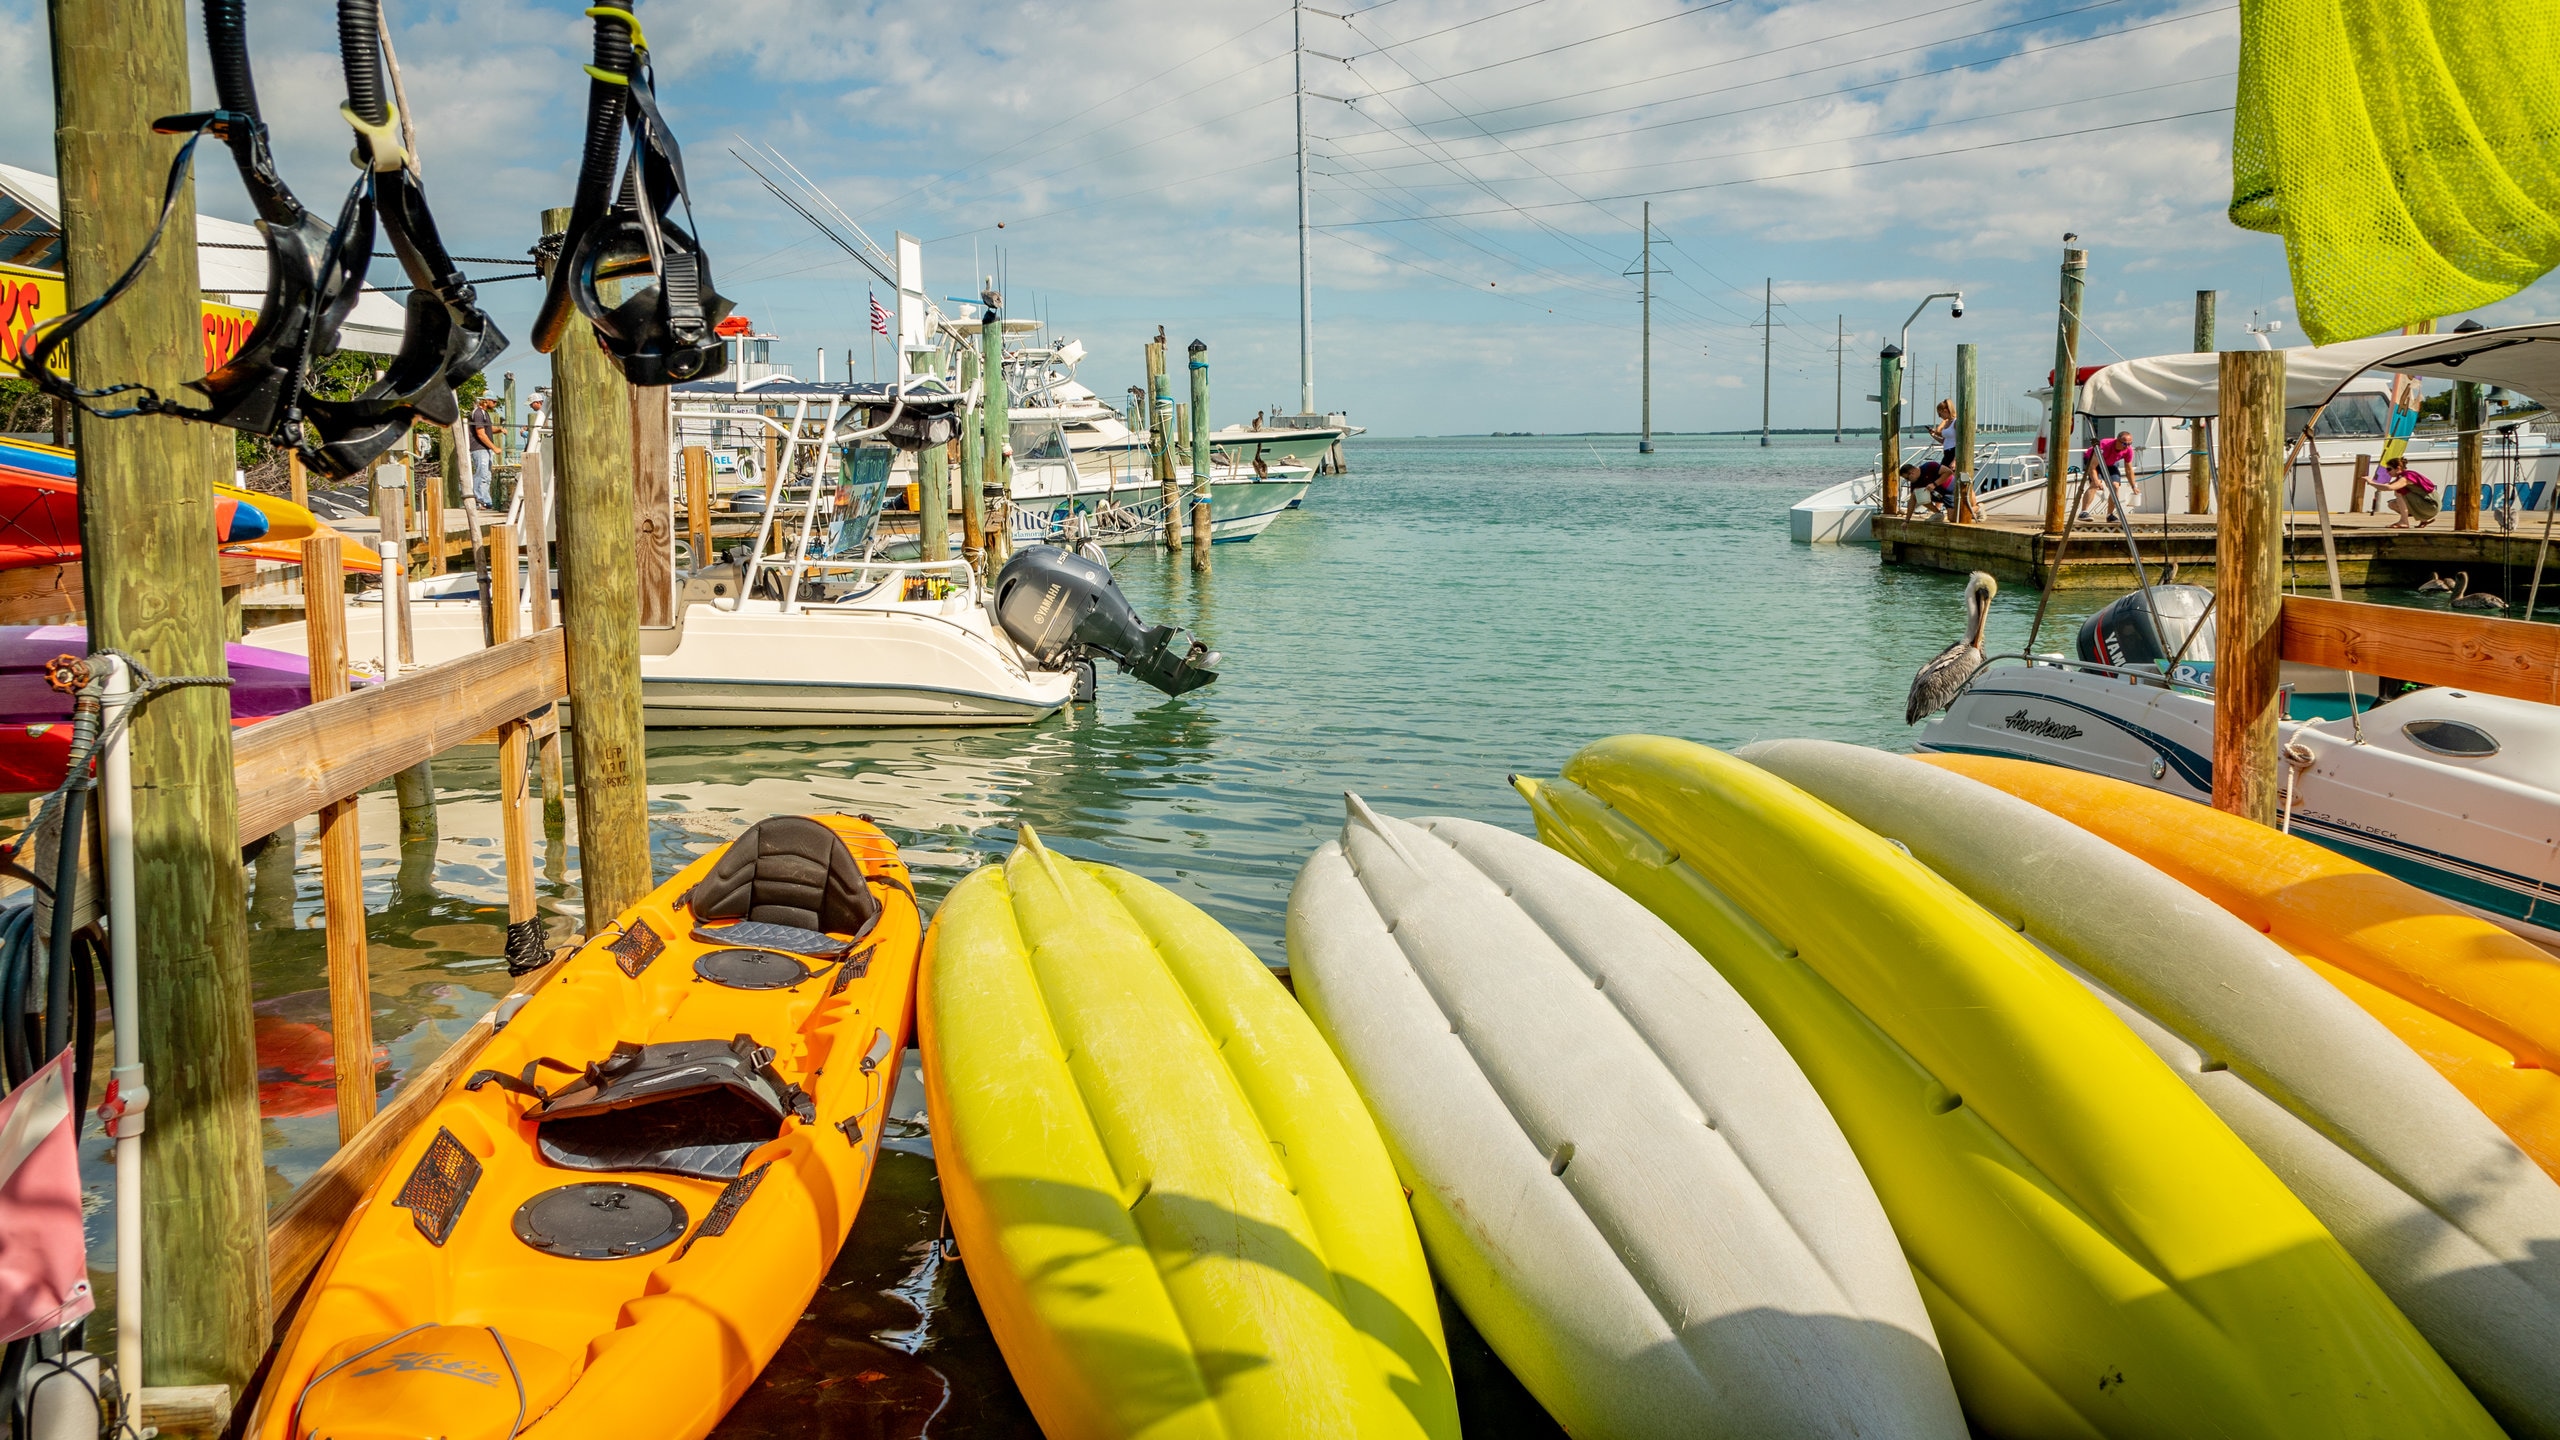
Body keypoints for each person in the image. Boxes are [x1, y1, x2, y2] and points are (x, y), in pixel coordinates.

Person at [2077, 430, 2136, 524]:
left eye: (2130, 444)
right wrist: (2096, 480)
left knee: (2115, 486)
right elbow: (2092, 467)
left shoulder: (2128, 450)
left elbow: (2129, 469)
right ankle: (2083, 512)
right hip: (2094, 462)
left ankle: (2110, 515)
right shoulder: (2104, 445)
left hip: (2110, 463)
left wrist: (2133, 486)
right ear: (2117, 441)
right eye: (2124, 444)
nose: (2127, 446)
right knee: (2095, 484)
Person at [2374, 455, 2439, 528]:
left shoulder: (2406, 477)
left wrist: (2371, 482)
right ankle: (2423, 518)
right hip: (2428, 504)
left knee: (2399, 491)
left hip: (2431, 505)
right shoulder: (2402, 476)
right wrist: (2373, 483)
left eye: (2389, 469)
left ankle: (2404, 522)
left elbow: (2390, 487)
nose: (2387, 472)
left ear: (2398, 468)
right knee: (2392, 504)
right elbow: (2386, 486)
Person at [467, 398, 500, 508]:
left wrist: (500, 430)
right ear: (486, 401)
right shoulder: (478, 413)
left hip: (486, 449)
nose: (495, 404)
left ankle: (486, 501)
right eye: (494, 401)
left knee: (487, 476)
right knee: (481, 474)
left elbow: (488, 429)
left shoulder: (484, 413)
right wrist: (494, 448)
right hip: (479, 448)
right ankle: (479, 500)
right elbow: (480, 433)